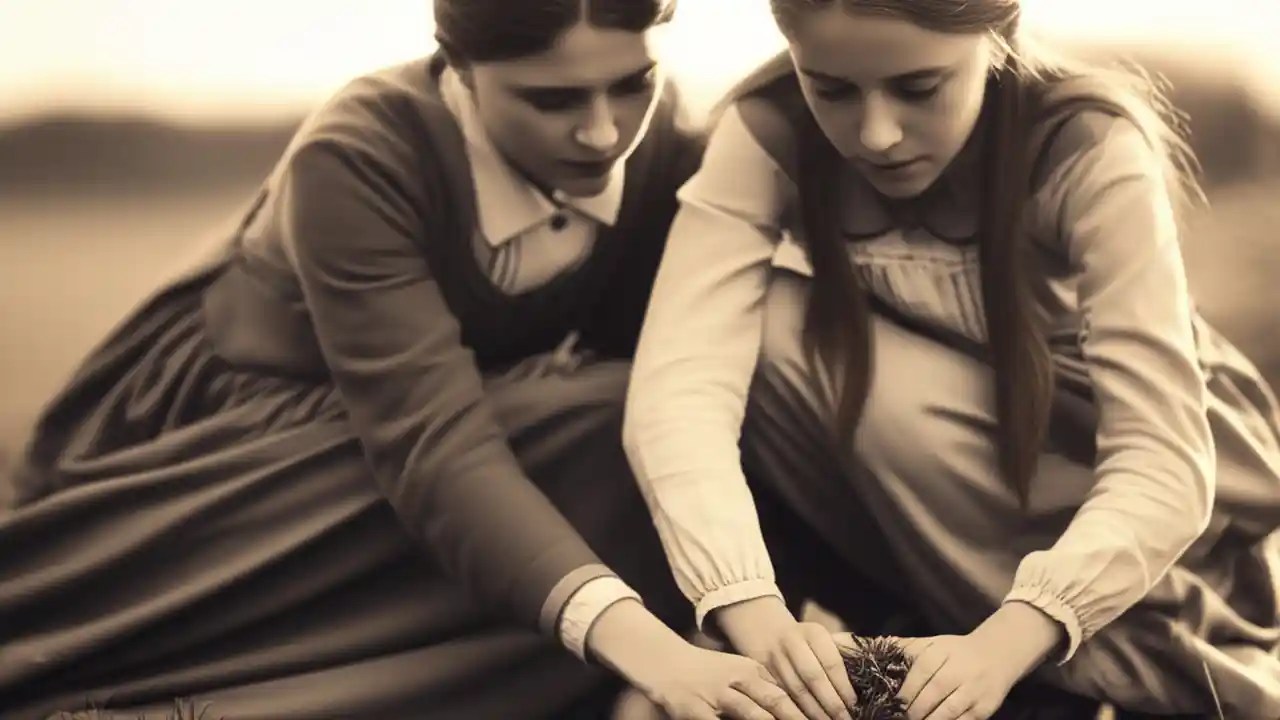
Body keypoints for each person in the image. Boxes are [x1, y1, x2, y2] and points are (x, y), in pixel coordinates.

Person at [0, 2, 814, 718]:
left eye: (630, 84)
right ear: (457, 66)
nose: (604, 131)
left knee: (645, 421)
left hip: (479, 424)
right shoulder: (362, 149)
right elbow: (435, 446)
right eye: (551, 98)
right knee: (588, 420)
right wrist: (656, 655)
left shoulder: (664, 143)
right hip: (255, 428)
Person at [622, 1, 1280, 718]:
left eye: (918, 87)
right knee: (774, 330)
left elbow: (1162, 458)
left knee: (882, 399)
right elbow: (676, 394)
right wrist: (754, 614)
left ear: (996, 34)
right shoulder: (767, 129)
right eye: (832, 90)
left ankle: (1061, 654)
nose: (876, 134)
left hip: (1087, 476)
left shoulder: (1084, 141)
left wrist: (1007, 641)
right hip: (908, 476)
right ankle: (904, 632)